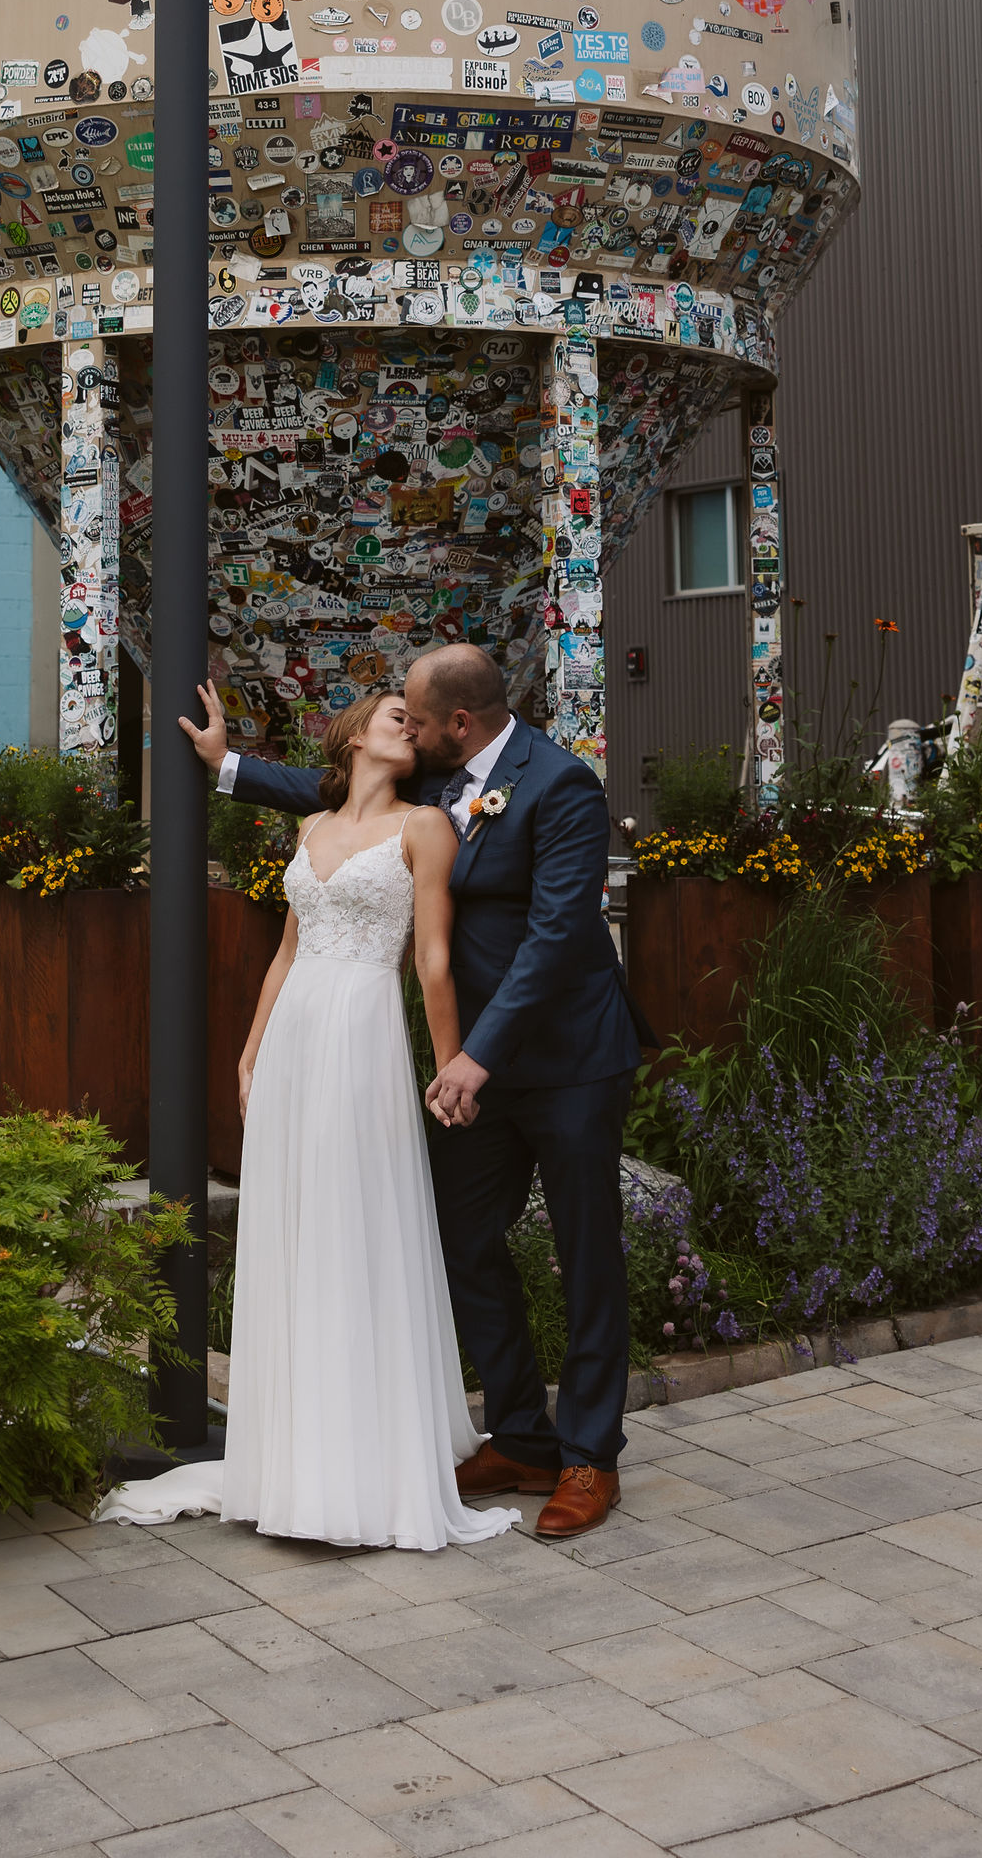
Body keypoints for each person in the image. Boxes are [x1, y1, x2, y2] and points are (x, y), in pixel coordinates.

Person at [187, 644, 647, 1539]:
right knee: (462, 1239)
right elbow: (338, 801)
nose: (408, 726)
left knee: (589, 1253)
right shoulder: (437, 785)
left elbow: (555, 936)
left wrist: (473, 1054)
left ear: (457, 725)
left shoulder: (561, 786)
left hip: (569, 1060)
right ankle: (520, 1434)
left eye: (417, 715)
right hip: (471, 1065)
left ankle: (590, 1456)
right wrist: (227, 765)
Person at [97, 690, 519, 1551]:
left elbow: (432, 957)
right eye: (394, 710)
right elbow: (287, 948)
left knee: (355, 1225)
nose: (409, 718)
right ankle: (292, 1453)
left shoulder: (428, 825)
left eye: (416, 714)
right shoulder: (312, 828)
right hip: (293, 1042)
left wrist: (448, 1067)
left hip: (363, 1034)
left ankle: (360, 1460)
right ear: (355, 733)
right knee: (291, 1229)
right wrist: (251, 1051)